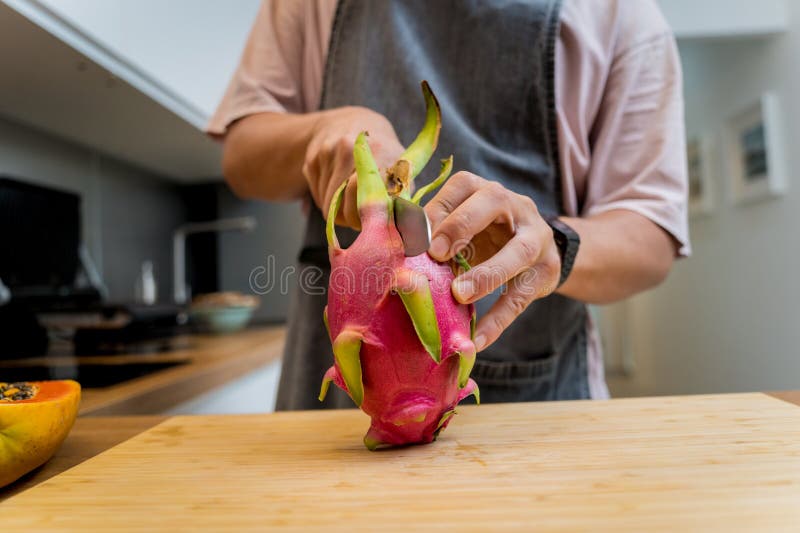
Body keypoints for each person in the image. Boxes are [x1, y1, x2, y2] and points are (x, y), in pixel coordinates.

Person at [208, 0, 690, 409]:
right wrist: (321, 131)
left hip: (532, 411)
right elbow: (242, 154)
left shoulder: (618, 14)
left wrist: (551, 244)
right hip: (328, 411)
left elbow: (650, 235)